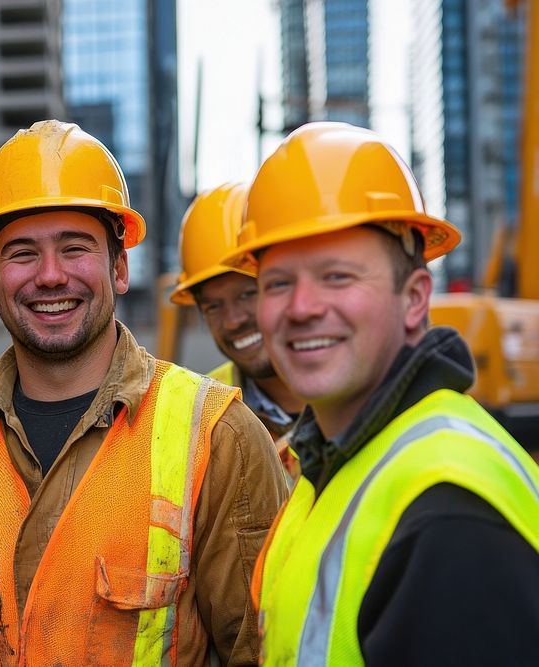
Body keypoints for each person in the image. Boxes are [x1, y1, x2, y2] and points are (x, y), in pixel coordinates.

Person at [0, 120, 288, 666]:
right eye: (21, 253)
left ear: (119, 266)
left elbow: (267, 651)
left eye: (75, 248)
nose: (50, 276)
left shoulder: (217, 436)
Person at [225, 122, 539, 664]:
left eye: (337, 276)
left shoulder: (446, 510)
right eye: (278, 283)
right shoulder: (333, 461)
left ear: (415, 298)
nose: (301, 307)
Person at [172, 182, 304, 480]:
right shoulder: (200, 413)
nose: (232, 321)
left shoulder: (358, 394)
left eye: (247, 294)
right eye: (213, 306)